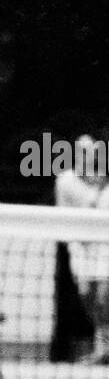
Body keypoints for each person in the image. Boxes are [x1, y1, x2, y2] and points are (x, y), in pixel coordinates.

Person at [55, 134, 109, 363]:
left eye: (89, 151)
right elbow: (63, 211)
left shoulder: (104, 182)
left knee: (104, 297)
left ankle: (103, 346)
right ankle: (103, 344)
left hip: (104, 246)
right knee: (87, 297)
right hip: (79, 248)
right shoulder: (65, 180)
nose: (85, 155)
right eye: (81, 151)